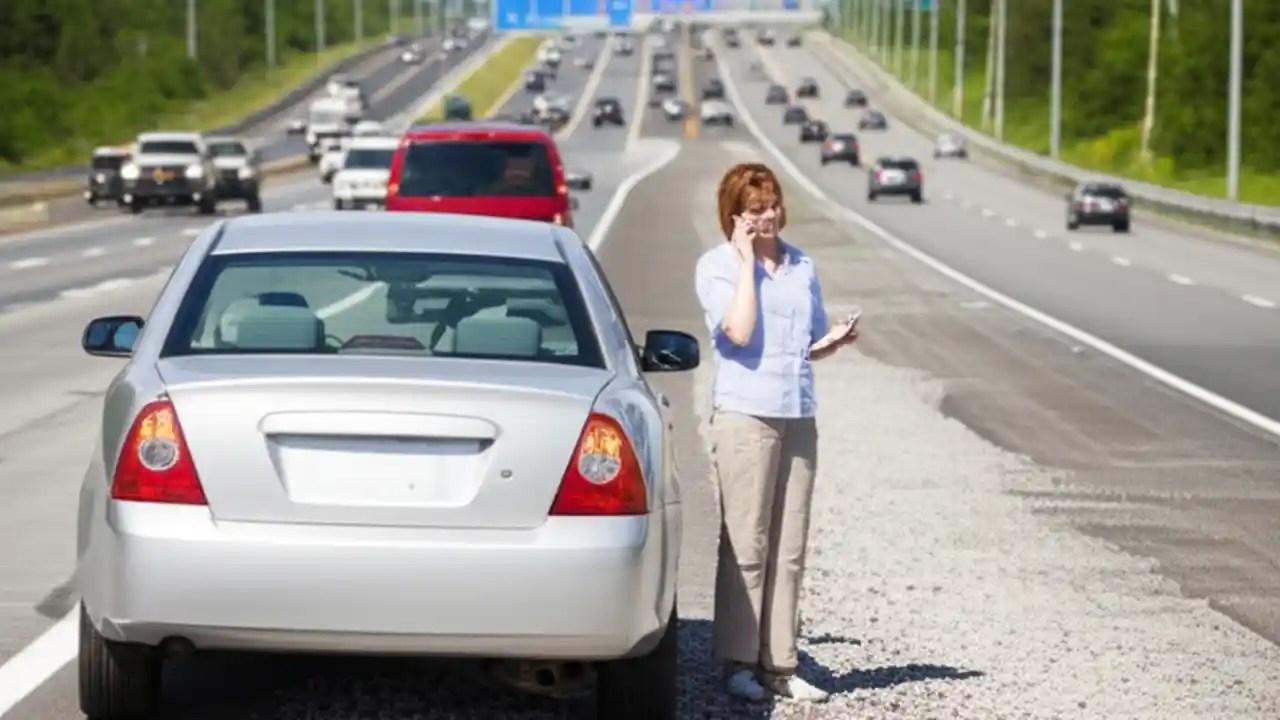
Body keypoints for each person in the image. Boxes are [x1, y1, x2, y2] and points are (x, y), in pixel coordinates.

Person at [694, 163, 859, 703]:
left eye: (772, 205)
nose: (768, 216)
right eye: (755, 209)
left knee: (789, 545)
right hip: (745, 413)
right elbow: (738, 331)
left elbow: (807, 339)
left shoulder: (802, 266)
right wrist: (746, 263)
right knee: (746, 542)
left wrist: (832, 341)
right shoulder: (716, 267)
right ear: (735, 217)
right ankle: (738, 663)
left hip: (797, 412)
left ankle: (782, 666)